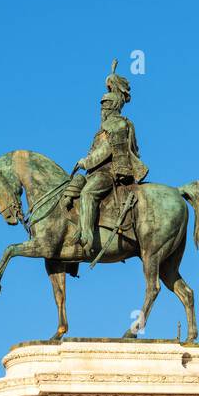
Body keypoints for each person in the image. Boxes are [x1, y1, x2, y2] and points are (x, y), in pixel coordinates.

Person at [66, 63, 149, 256]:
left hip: (109, 173)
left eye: (104, 106)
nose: (101, 110)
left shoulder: (116, 124)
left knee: (87, 193)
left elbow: (105, 151)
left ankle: (86, 237)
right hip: (95, 172)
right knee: (72, 188)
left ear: (111, 106)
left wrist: (84, 162)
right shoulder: (104, 128)